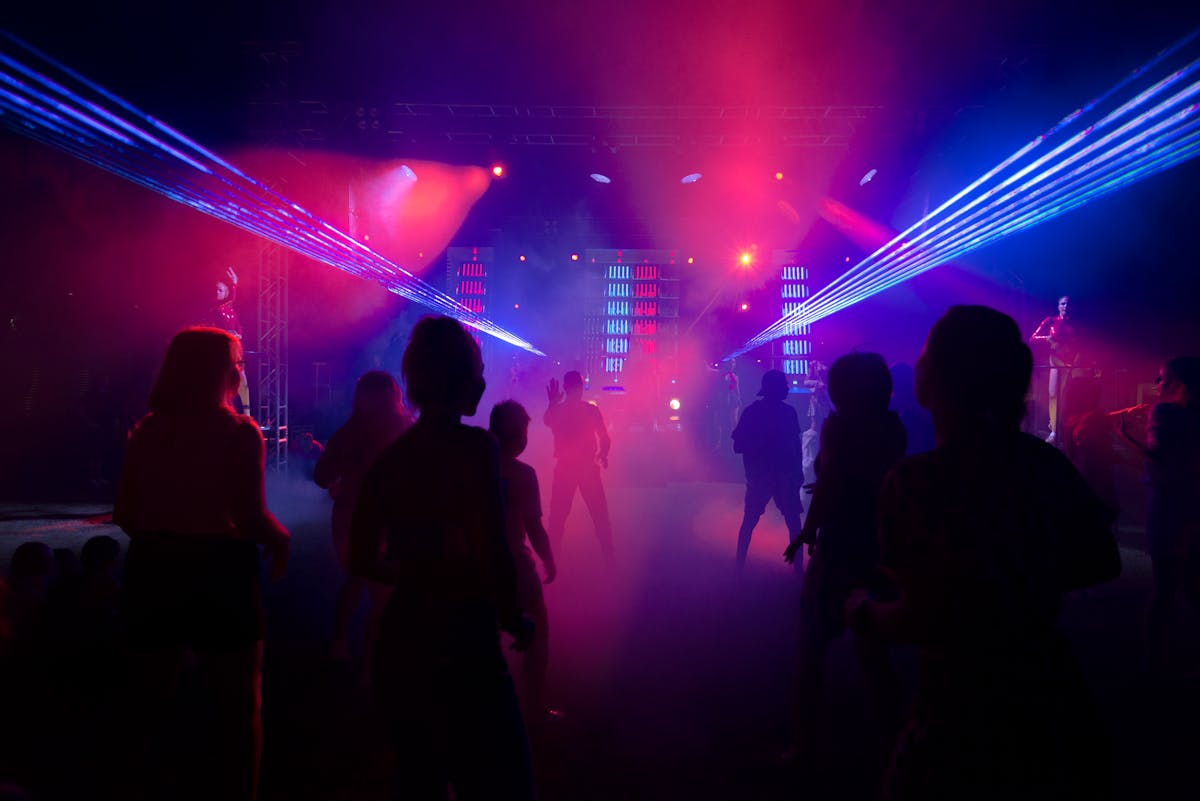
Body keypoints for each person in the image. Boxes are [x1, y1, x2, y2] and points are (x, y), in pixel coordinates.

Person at [850, 305, 1120, 801]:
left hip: (958, 703)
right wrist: (1023, 583)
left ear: (928, 380)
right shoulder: (1044, 465)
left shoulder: (916, 482)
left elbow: (921, 615)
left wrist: (865, 613)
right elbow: (1102, 560)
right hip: (1050, 694)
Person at [349, 316, 535, 801]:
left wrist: (418, 572)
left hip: (404, 640)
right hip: (465, 641)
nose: (483, 380)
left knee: (421, 781)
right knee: (503, 780)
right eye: (476, 370)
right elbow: (494, 547)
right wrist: (513, 616)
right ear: (458, 380)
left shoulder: (391, 460)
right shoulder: (478, 448)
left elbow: (360, 556)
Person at [114, 326, 290, 801]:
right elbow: (249, 516)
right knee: (239, 708)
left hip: (154, 566)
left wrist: (166, 535)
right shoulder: (237, 431)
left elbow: (126, 513)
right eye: (237, 362)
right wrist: (280, 538)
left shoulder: (149, 429)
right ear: (221, 371)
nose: (242, 370)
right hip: (219, 571)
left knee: (147, 703)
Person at [782, 353, 905, 761]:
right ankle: (892, 745)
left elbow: (831, 478)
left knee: (811, 648)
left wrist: (809, 528)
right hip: (880, 543)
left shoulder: (838, 427)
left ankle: (804, 745)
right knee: (875, 653)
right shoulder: (893, 427)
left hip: (839, 545)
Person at [313, 371, 411, 673]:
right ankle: (370, 666)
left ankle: (339, 645)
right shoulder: (406, 430)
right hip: (388, 521)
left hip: (350, 517)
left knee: (355, 579)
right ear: (395, 397)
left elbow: (321, 477)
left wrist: (338, 477)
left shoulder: (349, 432)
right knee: (382, 595)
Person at [1119, 356, 1200, 672]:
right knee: (1193, 584)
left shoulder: (1165, 413)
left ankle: (1154, 660)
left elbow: (1161, 461)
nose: (1159, 385)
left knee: (1164, 589)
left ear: (1179, 384)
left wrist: (1125, 435)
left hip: (1169, 510)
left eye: (1163, 378)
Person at [490, 400, 557, 723]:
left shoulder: (474, 468)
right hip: (516, 566)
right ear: (518, 434)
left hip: (476, 566)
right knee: (539, 631)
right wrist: (549, 559)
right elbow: (533, 525)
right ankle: (534, 707)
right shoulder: (522, 474)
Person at [732, 369, 803, 571]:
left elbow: (737, 445)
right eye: (784, 385)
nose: (788, 388)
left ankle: (739, 567)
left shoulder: (752, 412)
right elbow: (795, 446)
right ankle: (798, 570)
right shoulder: (788, 413)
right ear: (777, 389)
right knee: (793, 522)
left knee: (749, 521)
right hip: (782, 476)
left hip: (761, 476)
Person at [544, 371, 614, 560]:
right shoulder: (590, 410)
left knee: (558, 519)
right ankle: (610, 560)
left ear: (565, 388)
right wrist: (603, 452)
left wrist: (552, 403)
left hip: (570, 469)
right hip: (582, 469)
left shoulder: (560, 410)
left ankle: (552, 562)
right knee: (599, 517)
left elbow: (547, 421)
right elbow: (605, 438)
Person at [1029, 294, 1079, 442]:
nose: (1066, 307)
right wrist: (1048, 338)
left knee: (1066, 395)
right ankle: (1055, 429)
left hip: (1071, 361)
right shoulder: (1050, 320)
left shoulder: (1075, 325)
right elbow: (1033, 338)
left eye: (1068, 304)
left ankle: (1066, 428)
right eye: (1063, 304)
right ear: (1058, 306)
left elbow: (1080, 343)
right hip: (1054, 360)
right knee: (1053, 394)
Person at [211, 267, 251, 412]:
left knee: (243, 382)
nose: (217, 293)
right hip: (224, 351)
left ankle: (247, 414)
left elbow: (238, 327)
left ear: (226, 292)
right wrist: (234, 284)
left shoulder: (231, 311)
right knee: (224, 384)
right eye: (216, 290)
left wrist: (238, 333)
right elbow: (217, 330)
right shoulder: (216, 310)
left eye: (220, 290)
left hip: (236, 351)